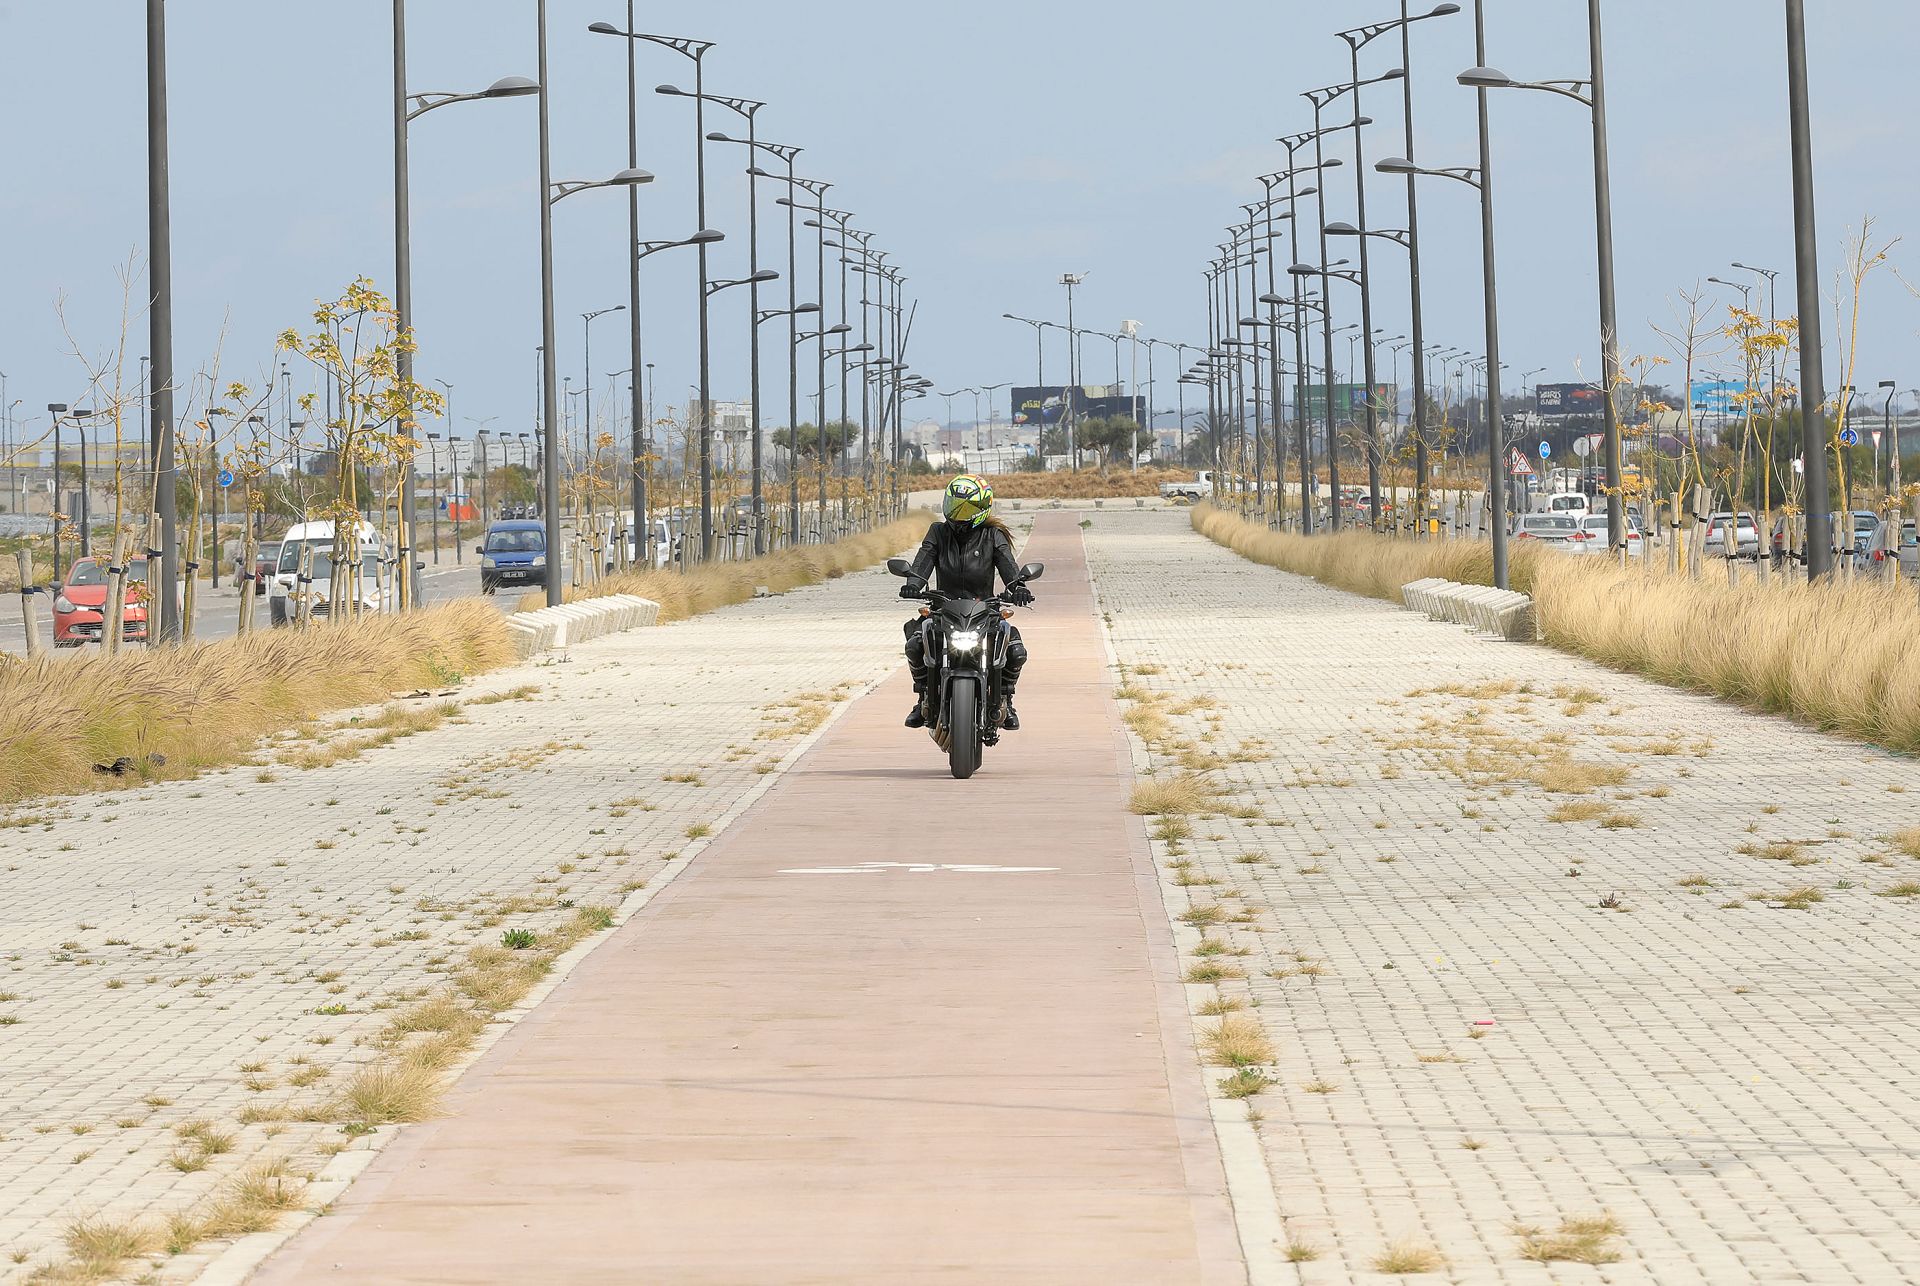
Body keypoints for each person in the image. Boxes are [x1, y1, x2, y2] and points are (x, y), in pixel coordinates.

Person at [899, 474, 1032, 731]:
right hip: (942, 611)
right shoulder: (938, 532)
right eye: (954, 505)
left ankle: (1006, 699)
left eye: (967, 508)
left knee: (1016, 651)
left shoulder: (993, 536)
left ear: (982, 508)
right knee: (915, 644)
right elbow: (922, 562)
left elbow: (1008, 567)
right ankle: (923, 697)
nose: (958, 513)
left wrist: (1018, 587)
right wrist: (912, 584)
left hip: (985, 612)